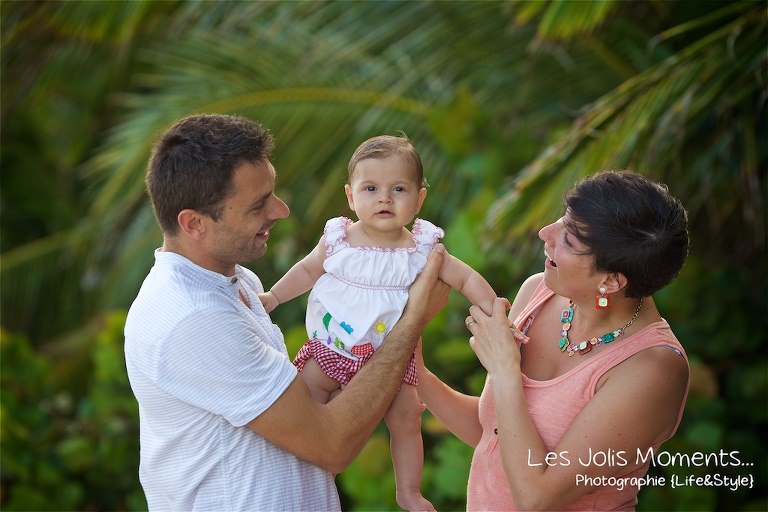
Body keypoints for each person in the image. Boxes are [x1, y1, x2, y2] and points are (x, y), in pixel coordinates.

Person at [123, 114, 450, 511]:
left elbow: (309, 413)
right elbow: (330, 442)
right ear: (194, 224)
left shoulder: (237, 281)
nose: (281, 210)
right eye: (259, 204)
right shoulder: (193, 317)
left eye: (272, 193)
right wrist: (411, 320)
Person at [258, 134, 526, 512]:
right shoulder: (338, 241)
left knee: (405, 421)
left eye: (398, 188)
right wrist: (271, 297)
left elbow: (465, 278)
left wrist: (491, 308)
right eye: (371, 188)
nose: (384, 198)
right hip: (332, 347)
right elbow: (306, 271)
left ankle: (409, 491)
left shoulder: (421, 249)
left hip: (393, 360)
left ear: (418, 199)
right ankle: (308, 474)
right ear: (351, 197)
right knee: (308, 401)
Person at [416, 170, 690, 511]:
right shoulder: (539, 292)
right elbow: (495, 434)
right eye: (564, 217)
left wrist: (504, 370)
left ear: (611, 282)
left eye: (570, 239)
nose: (546, 232)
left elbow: (537, 497)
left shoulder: (651, 369)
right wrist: (416, 371)